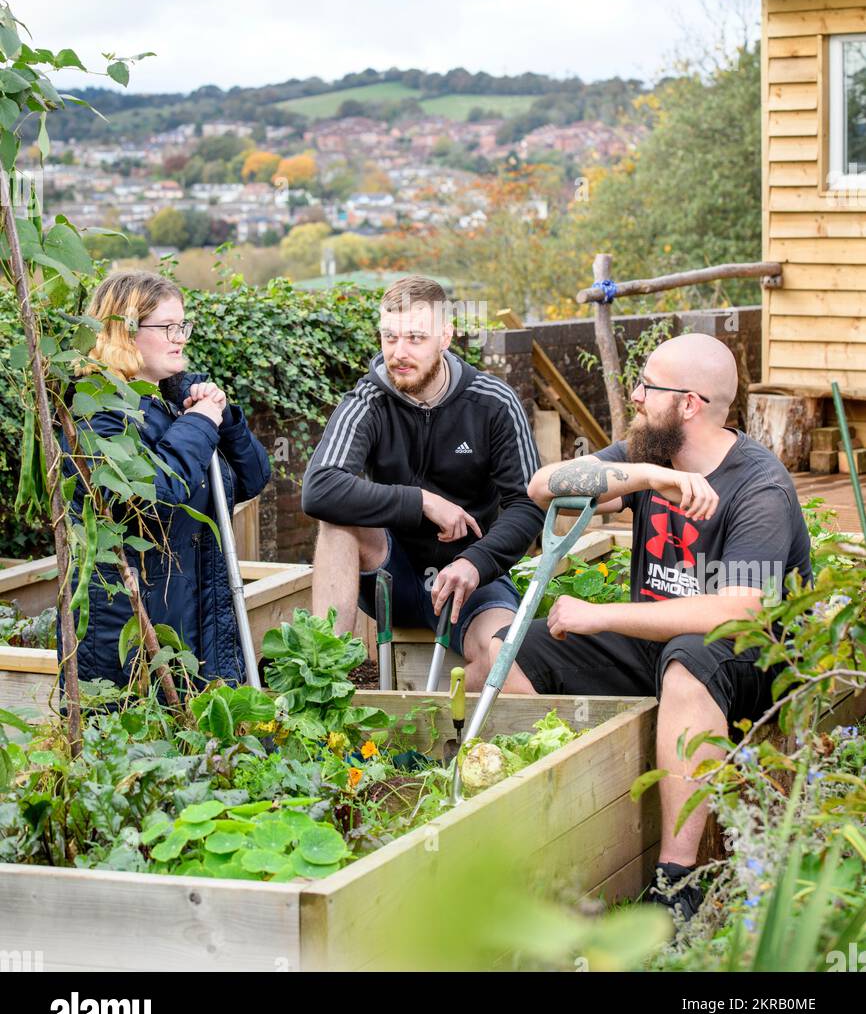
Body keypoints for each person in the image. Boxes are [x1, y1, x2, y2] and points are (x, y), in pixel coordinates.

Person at [493, 332, 812, 921]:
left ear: (689, 403)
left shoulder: (760, 487)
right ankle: (568, 835)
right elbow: (543, 487)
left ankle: (676, 884)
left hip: (752, 659)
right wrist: (642, 477)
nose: (635, 396)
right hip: (659, 644)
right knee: (510, 655)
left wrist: (603, 615)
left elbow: (738, 612)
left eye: (648, 386)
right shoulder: (650, 457)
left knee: (691, 659)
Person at [301, 276, 544, 689]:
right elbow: (319, 487)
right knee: (336, 522)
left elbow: (528, 506)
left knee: (509, 657)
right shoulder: (367, 401)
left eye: (415, 337)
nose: (399, 353)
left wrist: (476, 562)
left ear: (446, 336)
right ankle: (323, 681)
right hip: (390, 575)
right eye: (389, 337)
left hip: (470, 580)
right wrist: (421, 502)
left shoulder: (493, 403)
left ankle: (411, 724)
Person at [59, 269, 271, 690]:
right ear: (124, 331)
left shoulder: (172, 404)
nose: (181, 337)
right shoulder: (93, 412)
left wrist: (223, 419)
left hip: (197, 619)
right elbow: (154, 494)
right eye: (168, 327)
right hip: (132, 633)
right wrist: (200, 423)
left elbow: (251, 478)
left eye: (183, 325)